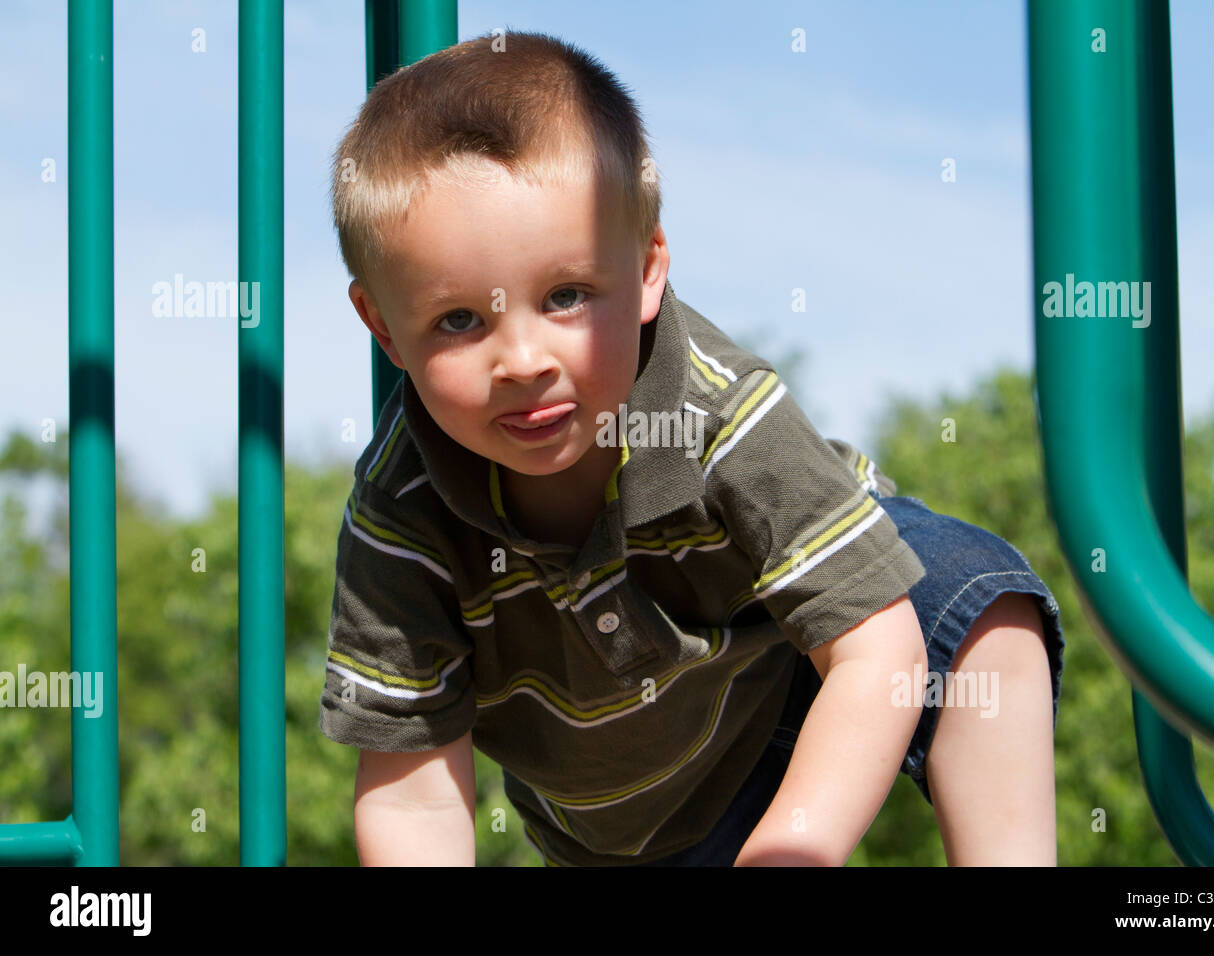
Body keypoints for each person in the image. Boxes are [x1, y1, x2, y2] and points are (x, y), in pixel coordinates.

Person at [319, 29, 1065, 867]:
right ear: (383, 325)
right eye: (460, 320)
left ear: (648, 270)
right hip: (640, 829)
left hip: (800, 676)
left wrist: (796, 844)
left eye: (566, 296)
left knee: (968, 605)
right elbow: (415, 792)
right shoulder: (402, 513)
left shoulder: (719, 413)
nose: (524, 362)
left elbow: (877, 646)